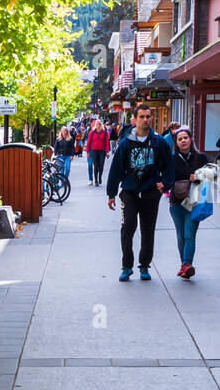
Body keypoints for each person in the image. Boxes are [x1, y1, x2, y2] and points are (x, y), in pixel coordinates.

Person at [106, 103, 174, 282]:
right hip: (129, 192)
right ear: (134, 120)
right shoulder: (126, 143)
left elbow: (169, 166)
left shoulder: (158, 142)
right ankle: (127, 266)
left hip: (151, 192)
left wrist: (165, 185)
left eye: (148, 116)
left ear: (151, 118)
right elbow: (116, 168)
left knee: (148, 229)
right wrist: (111, 193)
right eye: (142, 117)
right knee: (127, 227)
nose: (145, 120)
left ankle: (144, 265)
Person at [169, 127, 209, 279]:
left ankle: (187, 264)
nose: (183, 141)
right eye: (180, 139)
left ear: (191, 139)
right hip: (176, 203)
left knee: (189, 235)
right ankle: (184, 265)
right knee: (181, 237)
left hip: (194, 203)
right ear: (176, 143)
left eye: (185, 137)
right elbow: (167, 178)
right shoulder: (171, 159)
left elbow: (213, 176)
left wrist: (198, 177)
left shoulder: (201, 158)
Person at [86, 119, 110, 186]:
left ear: (101, 125)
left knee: (101, 165)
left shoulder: (105, 132)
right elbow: (88, 142)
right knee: (96, 165)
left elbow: (107, 143)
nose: (97, 125)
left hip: (102, 151)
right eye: (96, 124)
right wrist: (87, 152)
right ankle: (96, 179)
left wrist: (107, 152)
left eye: (98, 124)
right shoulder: (92, 132)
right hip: (94, 151)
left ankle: (100, 176)